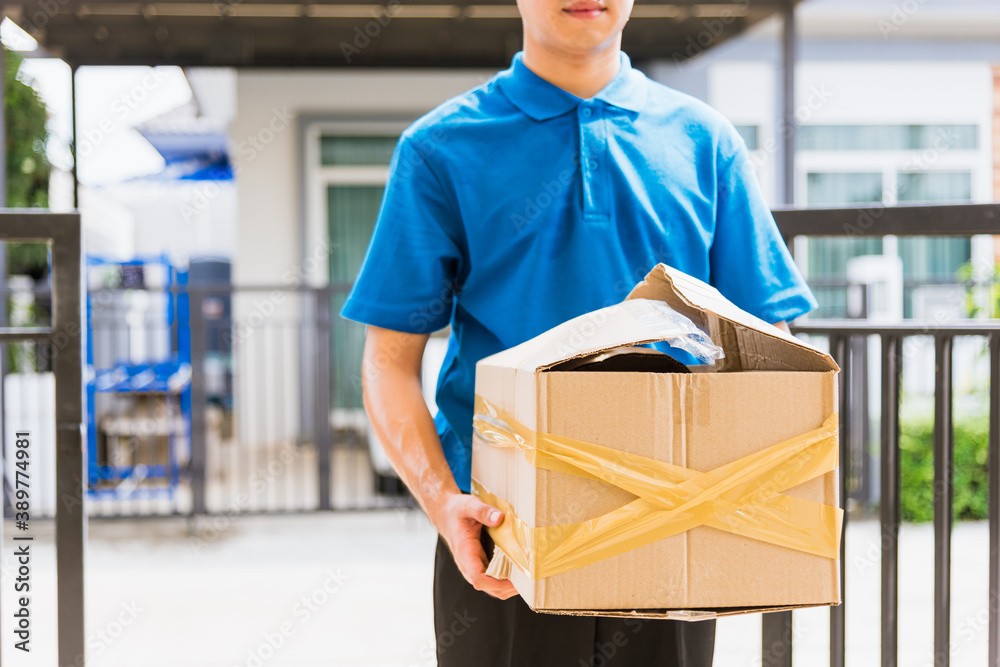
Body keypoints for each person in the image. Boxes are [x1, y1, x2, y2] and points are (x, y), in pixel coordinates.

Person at [339, 0, 818, 662]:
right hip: (501, 537)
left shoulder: (705, 141)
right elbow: (388, 360)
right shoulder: (440, 149)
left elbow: (768, 336)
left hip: (671, 526)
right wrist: (443, 501)